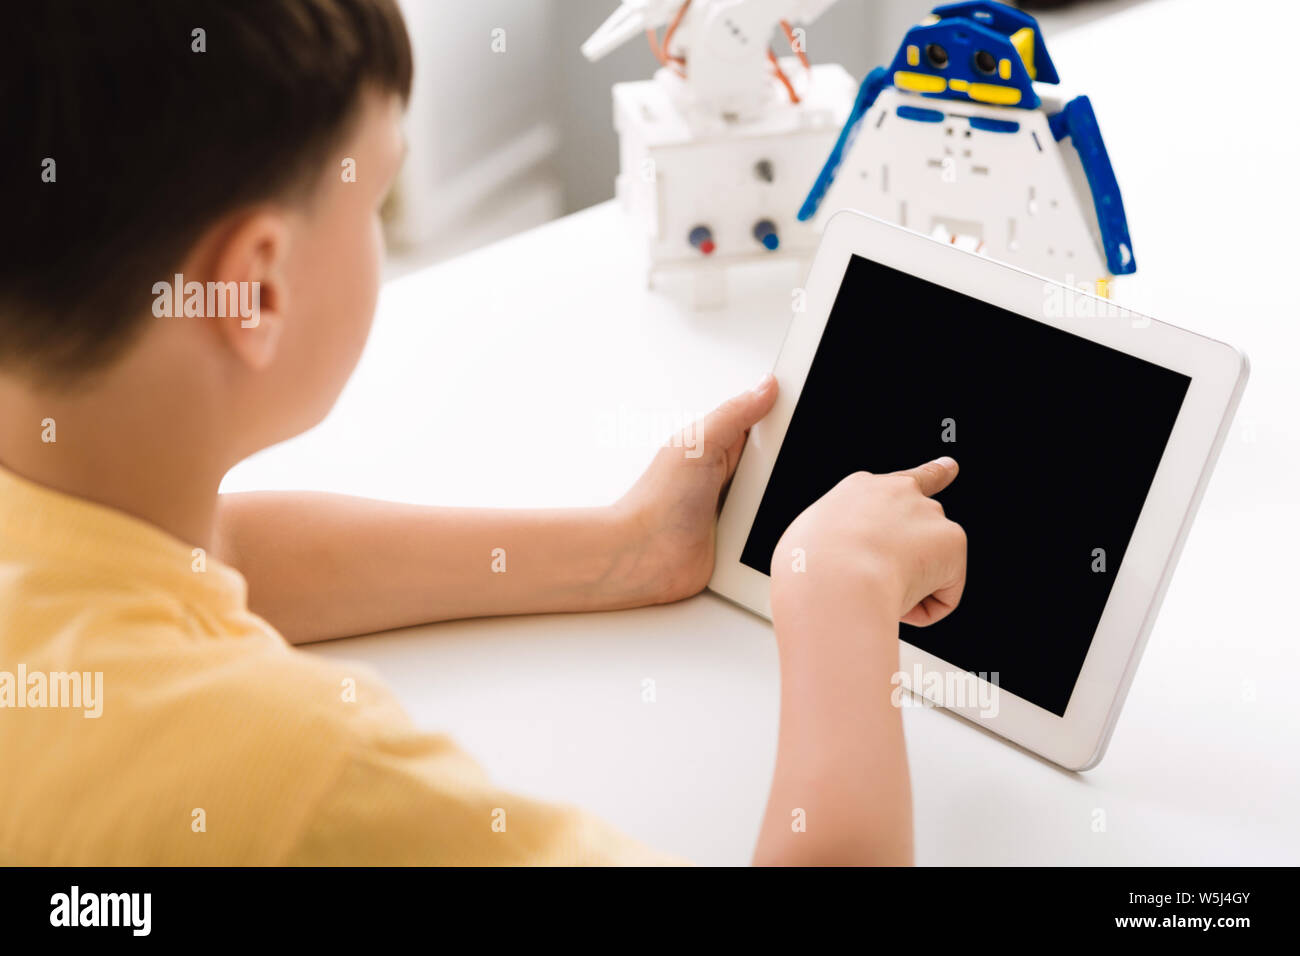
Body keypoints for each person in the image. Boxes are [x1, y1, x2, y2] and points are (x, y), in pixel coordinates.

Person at [0, 0, 966, 865]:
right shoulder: (313, 783)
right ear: (252, 288)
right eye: (374, 197)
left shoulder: (70, 520)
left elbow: (211, 558)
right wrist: (836, 604)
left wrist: (619, 550)